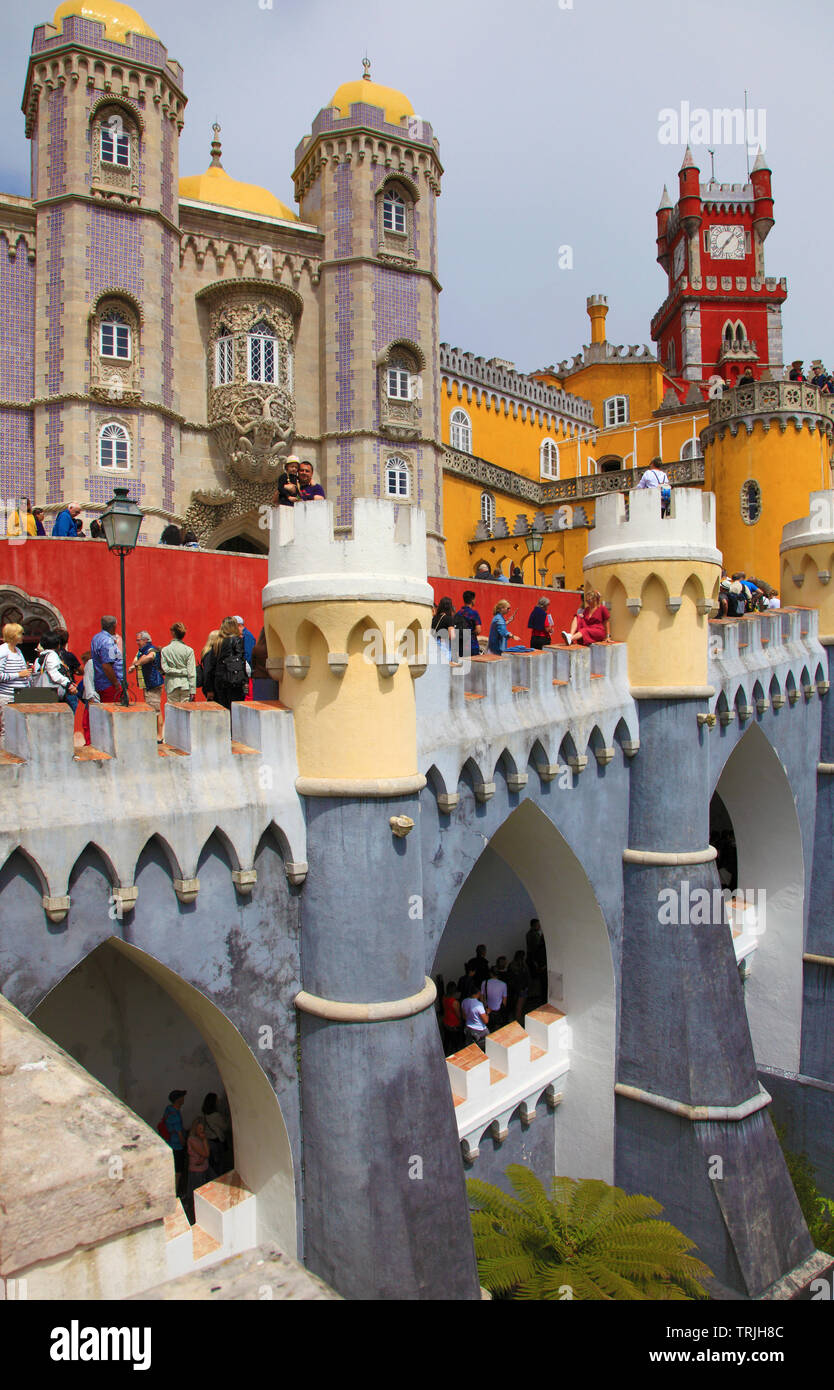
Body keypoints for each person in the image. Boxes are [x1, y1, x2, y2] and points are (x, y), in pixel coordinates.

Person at [128, 630, 165, 740]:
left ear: (145, 640)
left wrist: (135, 665)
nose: (137, 642)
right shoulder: (141, 651)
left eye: (138, 640)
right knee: (152, 709)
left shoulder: (151, 650)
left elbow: (149, 657)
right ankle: (154, 734)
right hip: (148, 684)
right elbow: (136, 660)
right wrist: (134, 664)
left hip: (153, 684)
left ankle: (159, 736)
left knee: (155, 710)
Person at [0, 623, 32, 743]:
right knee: (7, 730)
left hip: (20, 696)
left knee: (20, 730)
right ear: (14, 635)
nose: (23, 636)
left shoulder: (18, 651)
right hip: (7, 697)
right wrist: (19, 674)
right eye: (21, 633)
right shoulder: (3, 651)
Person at [211, 616, 248, 709]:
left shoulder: (217, 642)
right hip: (234, 680)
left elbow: (212, 664)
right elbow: (241, 661)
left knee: (223, 708)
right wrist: (245, 680)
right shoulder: (237, 640)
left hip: (219, 680)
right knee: (235, 709)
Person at [184, 1116, 215, 1222]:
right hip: (196, 1171)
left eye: (203, 1129)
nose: (202, 1131)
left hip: (204, 1167)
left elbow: (206, 1153)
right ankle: (195, 1215)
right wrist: (204, 1153)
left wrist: (204, 1155)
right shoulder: (192, 1139)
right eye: (200, 1129)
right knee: (196, 1194)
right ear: (195, 1129)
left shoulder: (200, 1138)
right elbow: (206, 1153)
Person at [160, 622, 196, 710]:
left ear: (173, 633)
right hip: (185, 684)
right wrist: (193, 690)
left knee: (172, 711)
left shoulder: (165, 650)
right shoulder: (189, 650)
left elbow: (165, 669)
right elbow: (192, 673)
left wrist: (177, 671)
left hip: (171, 684)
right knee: (185, 711)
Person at [33, 632, 78, 703]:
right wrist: (68, 684)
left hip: (42, 694)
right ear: (58, 645)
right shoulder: (52, 655)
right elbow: (54, 674)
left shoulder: (40, 658)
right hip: (52, 693)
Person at [161, 1089, 188, 1198]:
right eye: (182, 1097)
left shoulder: (168, 1109)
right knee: (178, 1172)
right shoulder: (176, 1115)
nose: (184, 1099)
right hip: (177, 1146)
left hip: (169, 1143)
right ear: (178, 1100)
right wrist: (184, 1144)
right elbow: (180, 1134)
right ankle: (175, 1194)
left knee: (172, 1169)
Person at [56, 629, 82, 717]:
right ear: (66, 641)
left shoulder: (52, 656)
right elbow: (81, 670)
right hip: (69, 689)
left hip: (56, 689)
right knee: (73, 716)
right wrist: (75, 671)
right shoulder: (69, 656)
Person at [201, 1093, 229, 1175]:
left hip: (208, 1140)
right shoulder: (216, 1115)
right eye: (217, 1100)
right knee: (220, 1161)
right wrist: (227, 1118)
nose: (218, 1101)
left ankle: (213, 1175)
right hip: (217, 1141)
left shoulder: (205, 1114)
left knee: (212, 1160)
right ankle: (219, 1175)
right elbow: (225, 1127)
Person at [455, 591, 483, 657]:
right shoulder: (474, 613)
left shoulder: (458, 613)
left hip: (460, 645)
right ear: (472, 600)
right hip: (472, 644)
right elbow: (478, 630)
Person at [507, 949, 531, 1023]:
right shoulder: (523, 965)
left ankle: (517, 1019)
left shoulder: (512, 965)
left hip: (515, 988)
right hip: (522, 988)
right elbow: (527, 977)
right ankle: (518, 1020)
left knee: (516, 1005)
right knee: (519, 1006)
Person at [441, 983, 463, 1055]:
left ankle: (445, 1054)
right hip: (454, 1025)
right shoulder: (455, 1002)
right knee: (456, 1043)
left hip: (445, 1022)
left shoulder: (444, 997)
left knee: (446, 1041)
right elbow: (458, 1015)